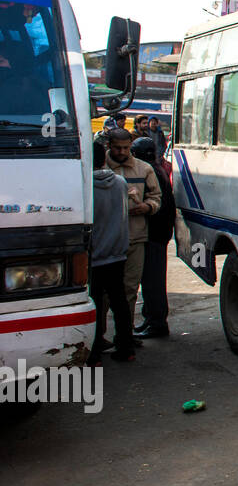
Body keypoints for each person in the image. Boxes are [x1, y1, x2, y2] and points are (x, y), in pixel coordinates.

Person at [104, 128, 161, 327]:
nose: (121, 152)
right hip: (105, 241)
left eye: (125, 148)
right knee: (102, 293)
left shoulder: (144, 169)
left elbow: (156, 197)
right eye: (117, 148)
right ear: (108, 146)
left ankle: (125, 335)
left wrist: (148, 207)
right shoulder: (99, 167)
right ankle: (98, 337)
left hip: (135, 238)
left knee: (129, 289)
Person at [89, 140, 134, 363]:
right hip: (118, 252)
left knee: (95, 304)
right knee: (119, 302)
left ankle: (94, 352)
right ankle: (126, 348)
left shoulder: (84, 185)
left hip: (94, 255)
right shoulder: (120, 182)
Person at [130, 136, 175, 338]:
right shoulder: (156, 169)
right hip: (158, 234)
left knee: (153, 282)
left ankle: (156, 323)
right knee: (150, 281)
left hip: (154, 235)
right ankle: (150, 319)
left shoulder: (149, 172)